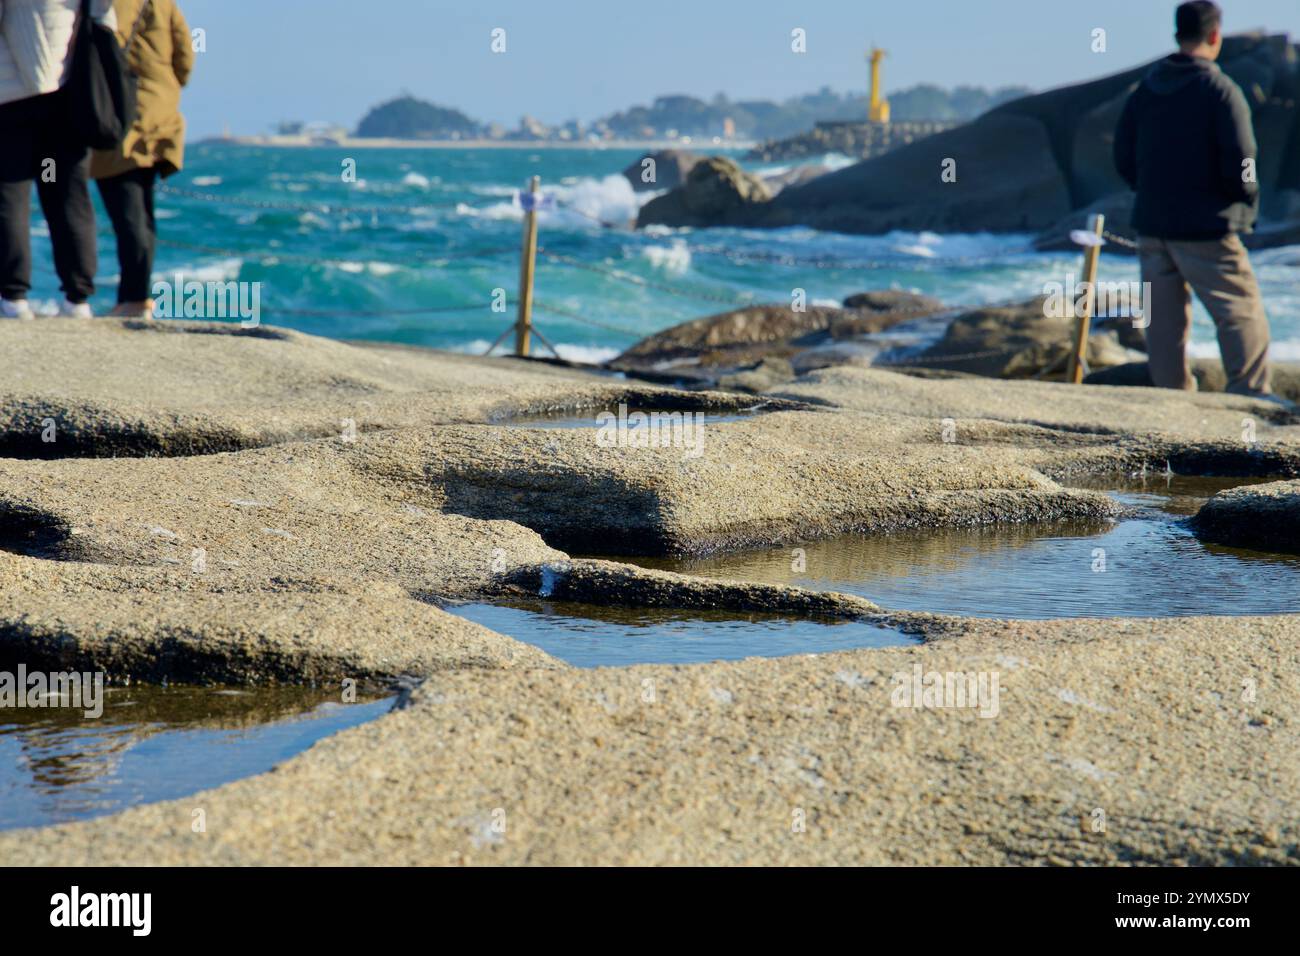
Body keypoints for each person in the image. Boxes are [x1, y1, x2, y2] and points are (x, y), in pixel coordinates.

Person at [1114, 1, 1275, 399]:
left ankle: (1173, 400)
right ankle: (1251, 396)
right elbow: (1244, 159)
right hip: (1208, 226)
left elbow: (1122, 152)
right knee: (1239, 310)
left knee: (1163, 322)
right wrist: (1245, 200)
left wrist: (1147, 189)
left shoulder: (1146, 89)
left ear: (1177, 35)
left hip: (1152, 224)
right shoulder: (1220, 89)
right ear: (1215, 36)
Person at [0, 0, 117, 320]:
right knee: (67, 195)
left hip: (11, 101)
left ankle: (14, 296)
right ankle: (77, 297)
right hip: (68, 95)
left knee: (11, 196)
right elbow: (105, 16)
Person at [91, 0, 193, 318]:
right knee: (143, 213)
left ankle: (134, 298)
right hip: (160, 116)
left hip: (122, 118)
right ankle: (135, 296)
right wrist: (164, 87)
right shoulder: (164, 4)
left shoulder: (107, 3)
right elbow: (185, 59)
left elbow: (100, 48)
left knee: (129, 214)